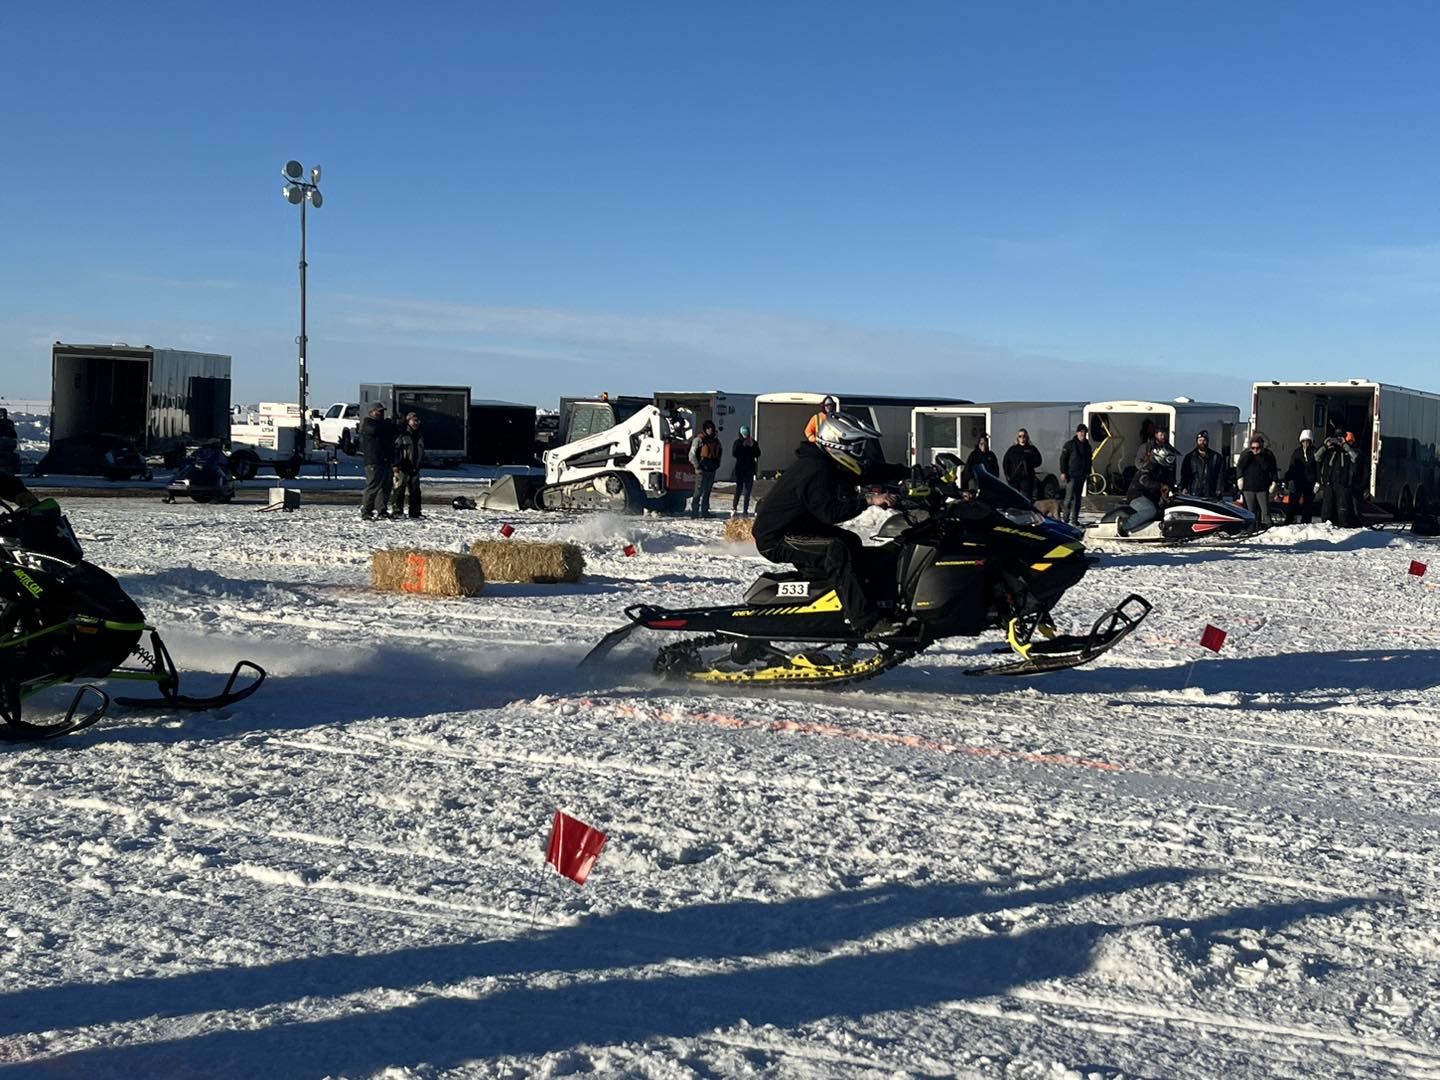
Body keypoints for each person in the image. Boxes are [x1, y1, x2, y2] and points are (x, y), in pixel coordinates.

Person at [754, 413, 909, 636]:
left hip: (799, 528)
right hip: (777, 537)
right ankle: (865, 620)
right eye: (857, 447)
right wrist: (868, 500)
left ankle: (849, 598)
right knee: (835, 549)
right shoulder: (815, 470)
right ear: (838, 442)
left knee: (851, 541)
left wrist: (908, 471)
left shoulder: (826, 462)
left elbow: (865, 472)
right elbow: (830, 512)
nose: (861, 453)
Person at [1122, 444, 1177, 535]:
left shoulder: (1165, 470)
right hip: (1137, 496)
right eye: (1169, 458)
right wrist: (1160, 485)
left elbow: (1169, 484)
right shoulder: (1150, 466)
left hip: (1151, 497)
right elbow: (1144, 480)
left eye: (1172, 459)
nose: (1171, 462)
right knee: (1150, 510)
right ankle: (1124, 527)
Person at [359, 403, 396, 520]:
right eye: (379, 411)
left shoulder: (383, 426)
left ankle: (382, 510)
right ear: (372, 412)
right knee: (373, 486)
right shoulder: (368, 424)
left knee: (386, 487)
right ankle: (366, 511)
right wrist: (387, 425)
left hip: (385, 460)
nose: (381, 414)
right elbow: (374, 430)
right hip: (373, 461)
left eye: (382, 411)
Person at [1318, 432, 1359, 527]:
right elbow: (1317, 457)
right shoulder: (1330, 451)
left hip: (1342, 483)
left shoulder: (1348, 452)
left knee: (1342, 508)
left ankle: (1343, 526)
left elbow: (1355, 457)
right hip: (1329, 483)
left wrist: (1344, 445)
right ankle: (1325, 526)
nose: (1337, 441)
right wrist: (1325, 446)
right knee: (1327, 508)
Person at [1235, 435, 1278, 526]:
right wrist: (1239, 479)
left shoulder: (1267, 455)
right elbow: (1240, 467)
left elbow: (1271, 469)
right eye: (1253, 448)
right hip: (1248, 487)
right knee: (1250, 511)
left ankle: (1267, 527)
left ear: (1261, 447)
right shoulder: (1246, 454)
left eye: (1257, 448)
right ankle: (1251, 528)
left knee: (1265, 510)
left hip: (1262, 487)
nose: (1255, 450)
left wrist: (1274, 482)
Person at [389, 412, 425, 520]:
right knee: (399, 490)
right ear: (408, 421)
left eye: (417, 420)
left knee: (415, 491)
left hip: (415, 467)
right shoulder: (402, 435)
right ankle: (397, 511)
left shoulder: (419, 436)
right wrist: (396, 464)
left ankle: (415, 511)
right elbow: (395, 451)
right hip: (402, 467)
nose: (416, 423)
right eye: (414, 420)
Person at [1058, 424, 1091, 526]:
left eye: (1084, 432)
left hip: (1082, 475)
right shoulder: (1070, 444)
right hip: (1071, 475)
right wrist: (1063, 472)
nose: (1083, 434)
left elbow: (1089, 460)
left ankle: (1074, 520)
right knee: (1068, 498)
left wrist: (1088, 473)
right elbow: (1063, 459)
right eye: (1081, 432)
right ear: (1077, 433)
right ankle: (1065, 519)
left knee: (1077, 499)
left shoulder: (1087, 446)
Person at [689, 420, 723, 517]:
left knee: (707, 492)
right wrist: (697, 467)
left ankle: (705, 512)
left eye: (711, 428)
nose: (710, 430)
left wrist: (717, 464)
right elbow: (691, 455)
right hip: (701, 470)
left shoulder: (716, 441)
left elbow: (719, 453)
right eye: (708, 428)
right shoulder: (699, 440)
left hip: (711, 469)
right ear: (705, 429)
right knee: (698, 492)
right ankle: (694, 512)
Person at [1285, 429, 1318, 524]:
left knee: (1308, 505)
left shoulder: (1314, 452)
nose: (1306, 443)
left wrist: (1318, 481)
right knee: (1293, 503)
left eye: (1308, 441)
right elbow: (1291, 467)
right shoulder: (1297, 453)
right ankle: (1288, 522)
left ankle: (1306, 523)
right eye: (1304, 441)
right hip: (1298, 481)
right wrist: (1289, 480)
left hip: (1310, 483)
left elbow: (1318, 467)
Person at [1180, 429, 1224, 499]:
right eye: (1200, 440)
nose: (1202, 442)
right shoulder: (1190, 457)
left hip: (1210, 491)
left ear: (1207, 441)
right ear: (1197, 441)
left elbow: (1220, 474)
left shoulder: (1216, 457)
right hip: (1194, 490)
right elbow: (1185, 474)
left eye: (1204, 440)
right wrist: (1184, 487)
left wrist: (1219, 488)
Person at [1002, 429, 1042, 499]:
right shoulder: (1012, 449)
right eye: (1020, 436)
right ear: (1017, 438)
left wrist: (1028, 462)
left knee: (1025, 499)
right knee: (1014, 499)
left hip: (1027, 479)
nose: (1022, 438)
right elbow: (1005, 463)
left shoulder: (1031, 449)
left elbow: (1039, 461)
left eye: (1024, 436)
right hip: (1014, 479)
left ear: (1027, 437)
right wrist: (1007, 475)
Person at [730, 425, 760, 516]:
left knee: (748, 490)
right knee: (739, 489)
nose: (745, 435)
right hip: (740, 469)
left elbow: (758, 453)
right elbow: (735, 453)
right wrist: (743, 447)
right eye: (744, 433)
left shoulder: (753, 442)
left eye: (747, 433)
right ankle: (734, 507)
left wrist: (752, 447)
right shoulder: (737, 442)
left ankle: (745, 509)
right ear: (740, 433)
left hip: (750, 469)